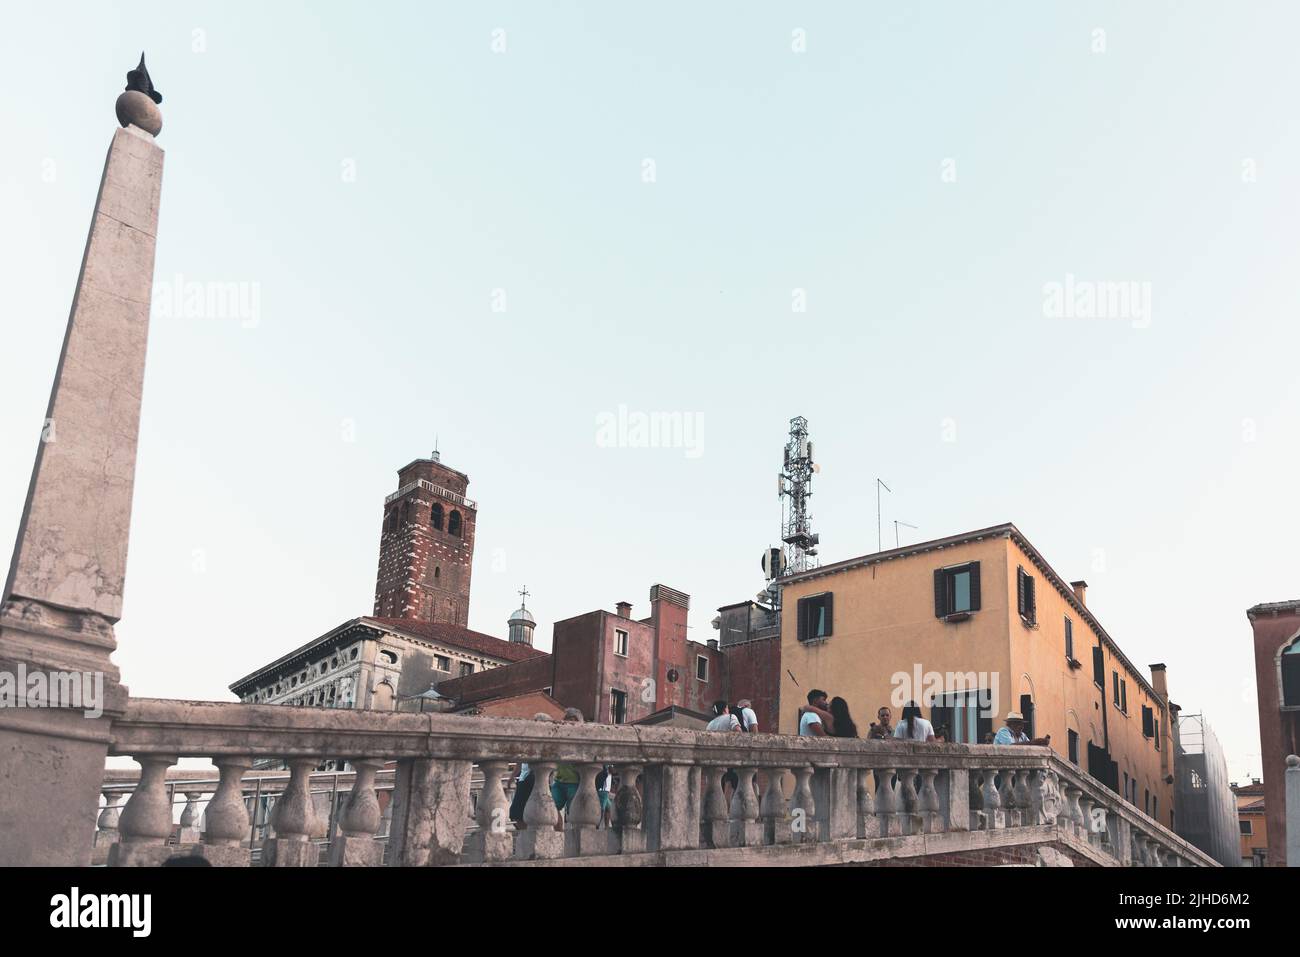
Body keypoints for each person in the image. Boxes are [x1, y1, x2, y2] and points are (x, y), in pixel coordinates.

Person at [509, 712, 554, 829]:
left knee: (538, 811)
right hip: (524, 777)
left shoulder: (548, 741)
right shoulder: (529, 738)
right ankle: (526, 834)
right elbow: (520, 759)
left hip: (536, 778)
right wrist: (513, 776)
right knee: (516, 813)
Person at [550, 707, 584, 831]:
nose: (570, 723)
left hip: (575, 783)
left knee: (574, 814)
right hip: (559, 781)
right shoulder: (561, 736)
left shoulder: (582, 739)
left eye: (573, 720)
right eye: (568, 720)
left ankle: (573, 843)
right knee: (550, 807)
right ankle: (560, 834)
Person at [595, 764, 614, 828]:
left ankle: (606, 827)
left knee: (609, 808)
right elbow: (612, 770)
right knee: (602, 809)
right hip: (603, 789)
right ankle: (597, 825)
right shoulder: (606, 763)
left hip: (606, 790)